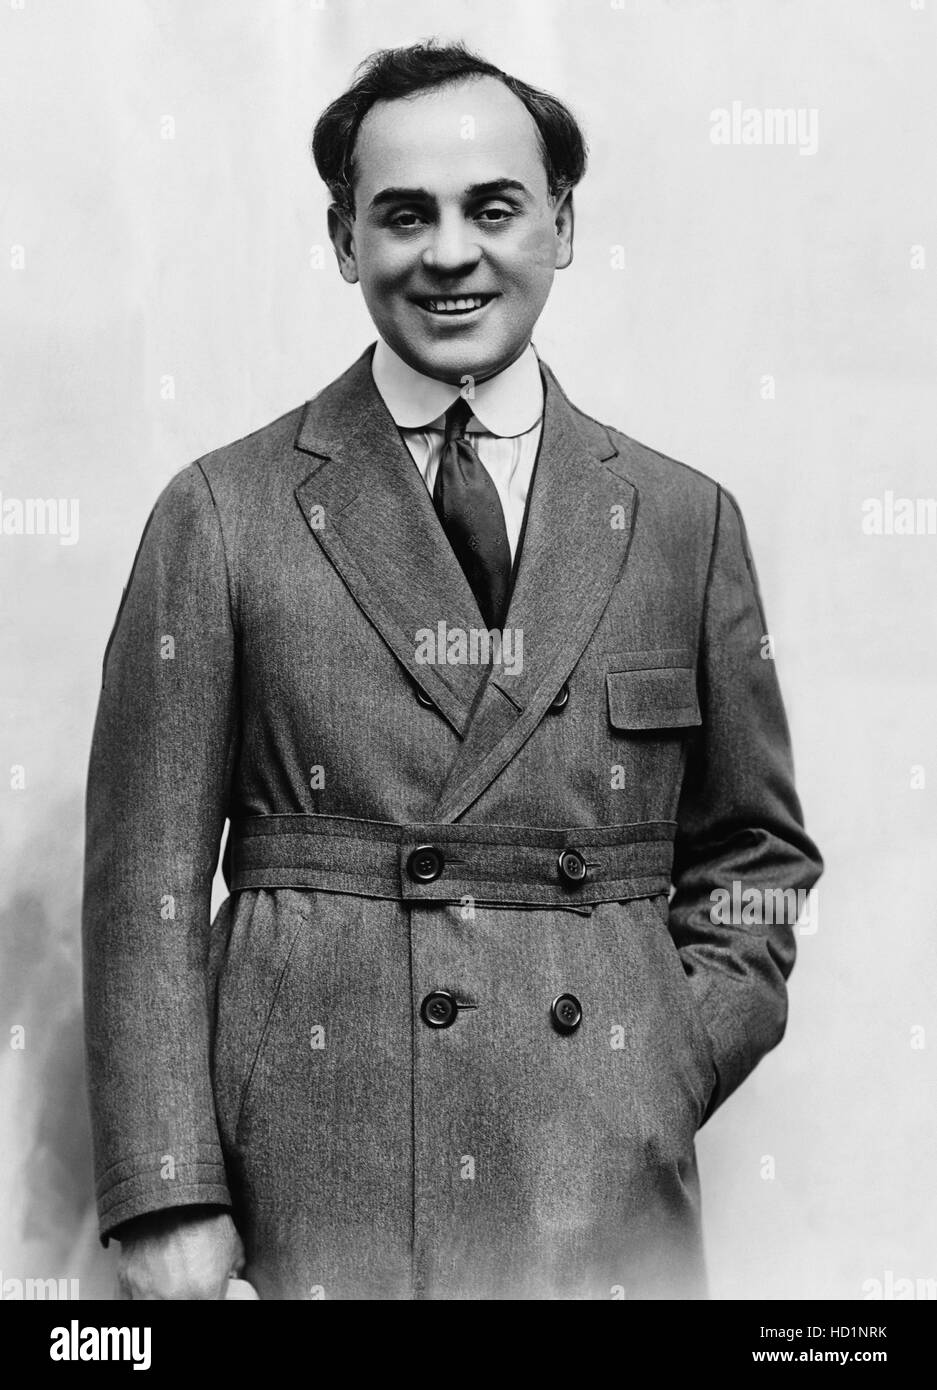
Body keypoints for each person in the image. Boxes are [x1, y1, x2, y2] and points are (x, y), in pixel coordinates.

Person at [82, 40, 823, 1300]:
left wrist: (663, 1065)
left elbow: (757, 859)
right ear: (341, 239)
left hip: (597, 1184)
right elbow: (145, 880)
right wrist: (167, 1196)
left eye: (492, 208)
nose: (448, 253)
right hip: (315, 1163)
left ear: (564, 225)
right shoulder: (222, 511)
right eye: (402, 214)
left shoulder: (684, 520)